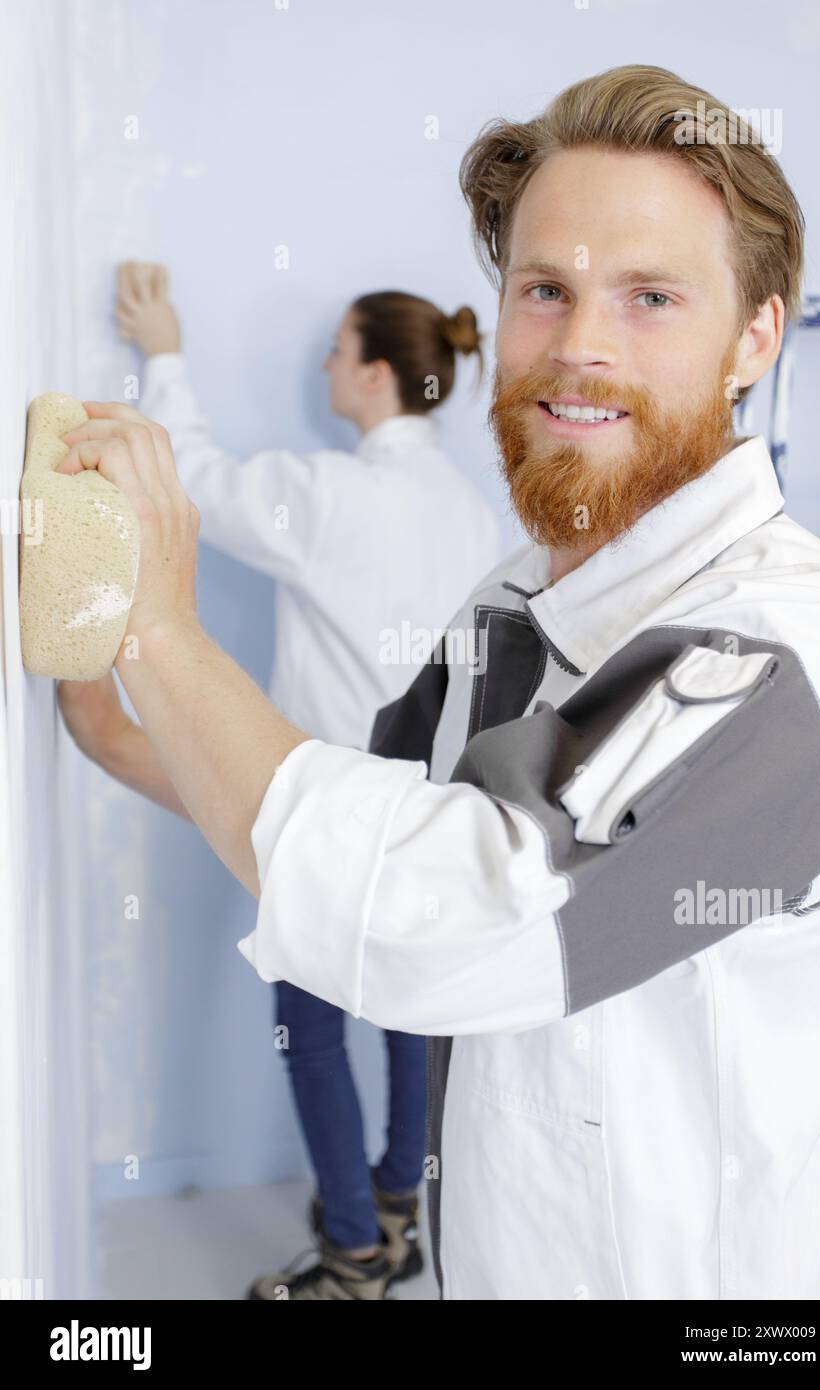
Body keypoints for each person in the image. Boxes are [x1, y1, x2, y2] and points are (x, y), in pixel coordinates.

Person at [58, 63, 820, 1301]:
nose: (579, 346)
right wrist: (110, 726)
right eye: (545, 288)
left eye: (649, 296)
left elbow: (439, 912)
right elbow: (371, 809)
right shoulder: (507, 606)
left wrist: (164, 635)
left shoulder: (787, 651)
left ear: (753, 336)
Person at [64, 271, 501, 1300]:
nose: (321, 365)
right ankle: (398, 1196)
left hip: (325, 813)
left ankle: (354, 1256)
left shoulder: (330, 496)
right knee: (408, 1014)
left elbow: (194, 486)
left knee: (310, 1034)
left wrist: (163, 354)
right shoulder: (471, 515)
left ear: (377, 372)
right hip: (430, 813)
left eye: (337, 349)